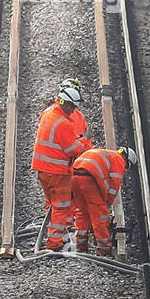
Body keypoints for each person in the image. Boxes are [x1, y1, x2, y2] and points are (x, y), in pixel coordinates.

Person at [31, 84, 93, 251]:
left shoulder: (48, 113)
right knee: (62, 206)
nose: (73, 110)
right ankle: (54, 243)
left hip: (42, 169)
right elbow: (72, 149)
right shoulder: (63, 123)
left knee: (51, 204)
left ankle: (59, 235)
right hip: (57, 171)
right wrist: (84, 140)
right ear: (64, 102)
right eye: (71, 106)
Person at [71, 146, 136, 256]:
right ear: (127, 161)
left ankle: (80, 245)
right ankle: (104, 249)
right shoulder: (119, 159)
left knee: (83, 211)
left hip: (75, 175)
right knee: (100, 215)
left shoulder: (108, 154)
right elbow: (114, 186)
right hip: (89, 178)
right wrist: (107, 203)